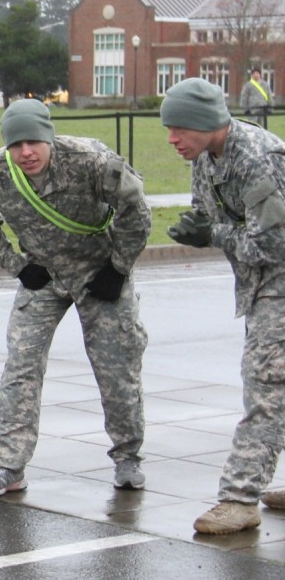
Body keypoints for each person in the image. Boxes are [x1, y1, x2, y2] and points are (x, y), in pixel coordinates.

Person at [0, 99, 151, 498]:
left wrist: (118, 267)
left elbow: (135, 209)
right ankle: (8, 466)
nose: (25, 152)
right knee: (20, 368)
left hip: (100, 273)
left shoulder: (90, 160)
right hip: (43, 275)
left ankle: (128, 457)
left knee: (117, 364)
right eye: (16, 145)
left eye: (33, 141)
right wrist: (15, 265)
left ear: (48, 137)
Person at [160, 78, 285, 534]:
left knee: (266, 383)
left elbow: (274, 244)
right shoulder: (208, 158)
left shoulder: (257, 158)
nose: (171, 139)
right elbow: (211, 213)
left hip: (280, 280)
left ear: (205, 122)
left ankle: (239, 497)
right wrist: (198, 227)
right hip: (263, 284)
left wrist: (212, 235)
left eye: (178, 129)